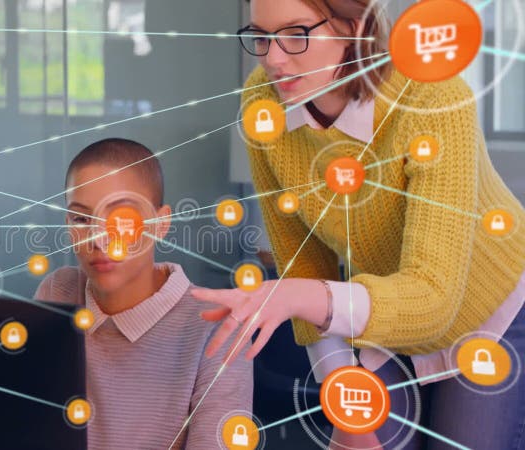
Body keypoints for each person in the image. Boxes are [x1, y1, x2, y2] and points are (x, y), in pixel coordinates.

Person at [192, 0, 525, 449]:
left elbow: (434, 299)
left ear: (355, 26)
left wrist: (302, 296)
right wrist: (344, 399)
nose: (273, 57)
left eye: (296, 33)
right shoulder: (262, 102)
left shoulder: (433, 97)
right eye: (261, 37)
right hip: (386, 311)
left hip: (490, 306)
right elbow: (303, 264)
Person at [35, 138, 253, 449]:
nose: (98, 239)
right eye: (81, 219)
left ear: (161, 224)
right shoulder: (58, 292)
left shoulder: (217, 325)